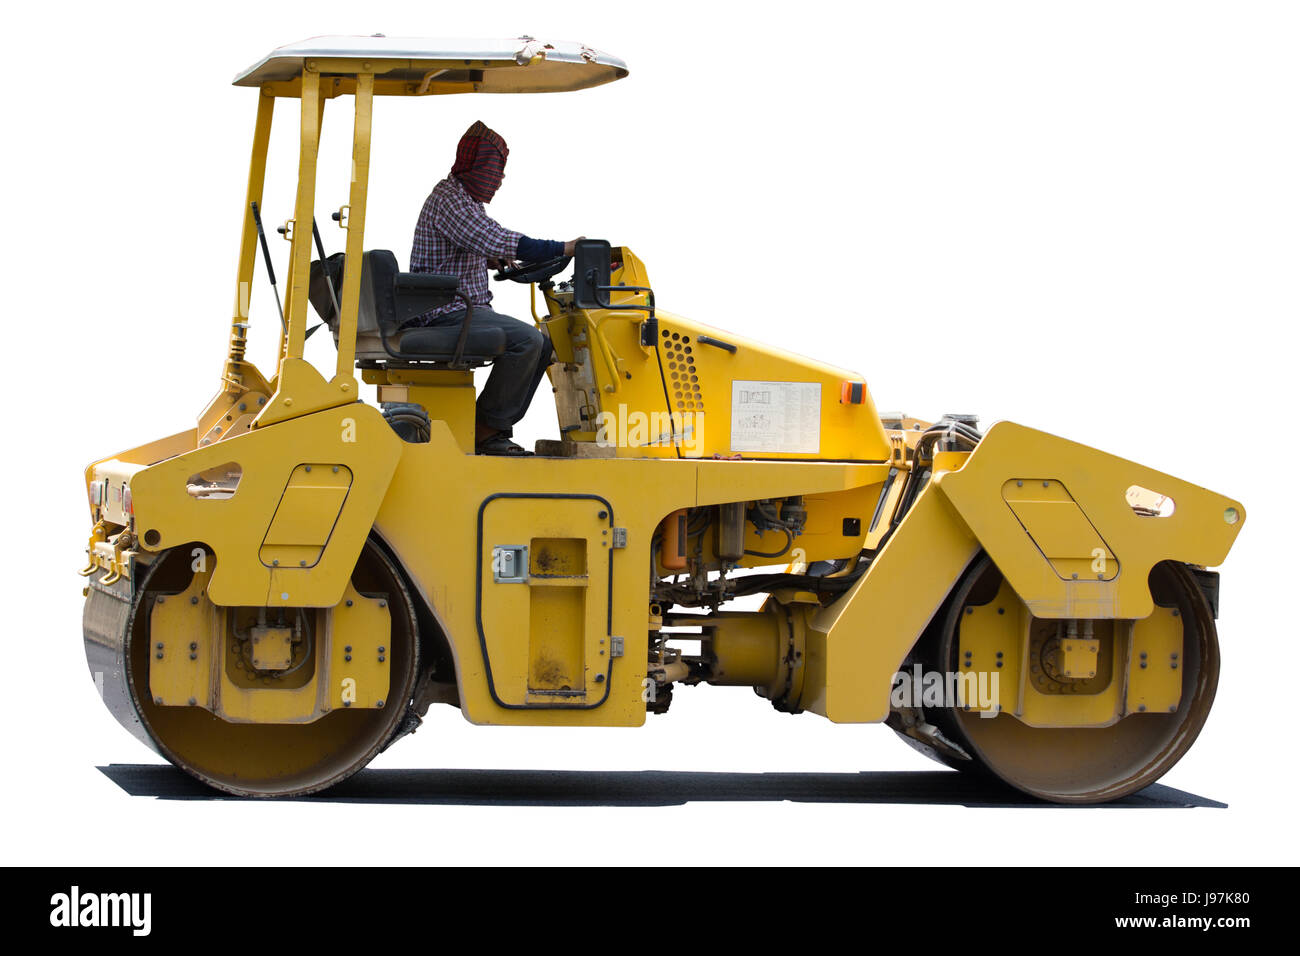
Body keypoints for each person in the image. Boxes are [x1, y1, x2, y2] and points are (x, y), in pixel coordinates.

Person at [408, 120, 581, 456]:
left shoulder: (464, 201)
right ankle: (485, 430)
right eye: (494, 170)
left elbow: (474, 244)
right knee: (528, 341)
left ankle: (494, 428)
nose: (499, 179)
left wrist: (489, 259)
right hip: (445, 312)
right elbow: (500, 238)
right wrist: (565, 248)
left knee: (544, 344)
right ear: (476, 166)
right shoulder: (452, 201)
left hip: (458, 307)